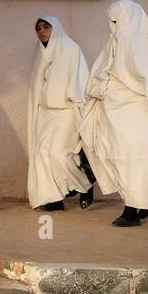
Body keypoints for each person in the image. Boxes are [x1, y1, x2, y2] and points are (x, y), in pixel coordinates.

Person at [78, 0, 148, 227]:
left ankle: (132, 210)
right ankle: (139, 205)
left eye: (116, 21)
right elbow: (102, 71)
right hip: (117, 116)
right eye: (110, 22)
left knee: (137, 162)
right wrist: (105, 87)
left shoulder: (146, 41)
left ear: (128, 19)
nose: (113, 27)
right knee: (122, 160)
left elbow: (144, 78)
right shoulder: (117, 39)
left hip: (140, 116)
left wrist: (110, 86)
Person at [26, 15, 95, 211]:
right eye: (38, 28)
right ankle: (53, 199)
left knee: (58, 155)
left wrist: (76, 105)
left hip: (65, 112)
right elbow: (36, 85)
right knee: (40, 154)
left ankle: (85, 182)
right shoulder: (39, 53)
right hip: (44, 114)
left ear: (55, 28)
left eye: (46, 27)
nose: (41, 32)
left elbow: (81, 80)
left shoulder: (71, 49)